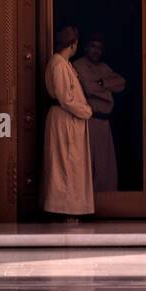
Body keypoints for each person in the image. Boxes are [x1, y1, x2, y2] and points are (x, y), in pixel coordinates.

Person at [42, 25, 94, 223]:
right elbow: (66, 99)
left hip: (67, 119)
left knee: (68, 164)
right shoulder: (59, 64)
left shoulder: (63, 63)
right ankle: (66, 210)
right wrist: (86, 110)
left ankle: (69, 209)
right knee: (66, 165)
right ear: (73, 44)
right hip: (65, 120)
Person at [73, 34, 126, 194]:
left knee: (105, 165)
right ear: (86, 48)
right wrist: (106, 88)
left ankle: (106, 200)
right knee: (87, 163)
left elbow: (121, 83)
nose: (96, 51)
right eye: (93, 47)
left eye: (99, 48)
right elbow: (89, 88)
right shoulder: (79, 65)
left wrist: (102, 83)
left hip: (104, 123)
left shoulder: (104, 68)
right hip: (88, 121)